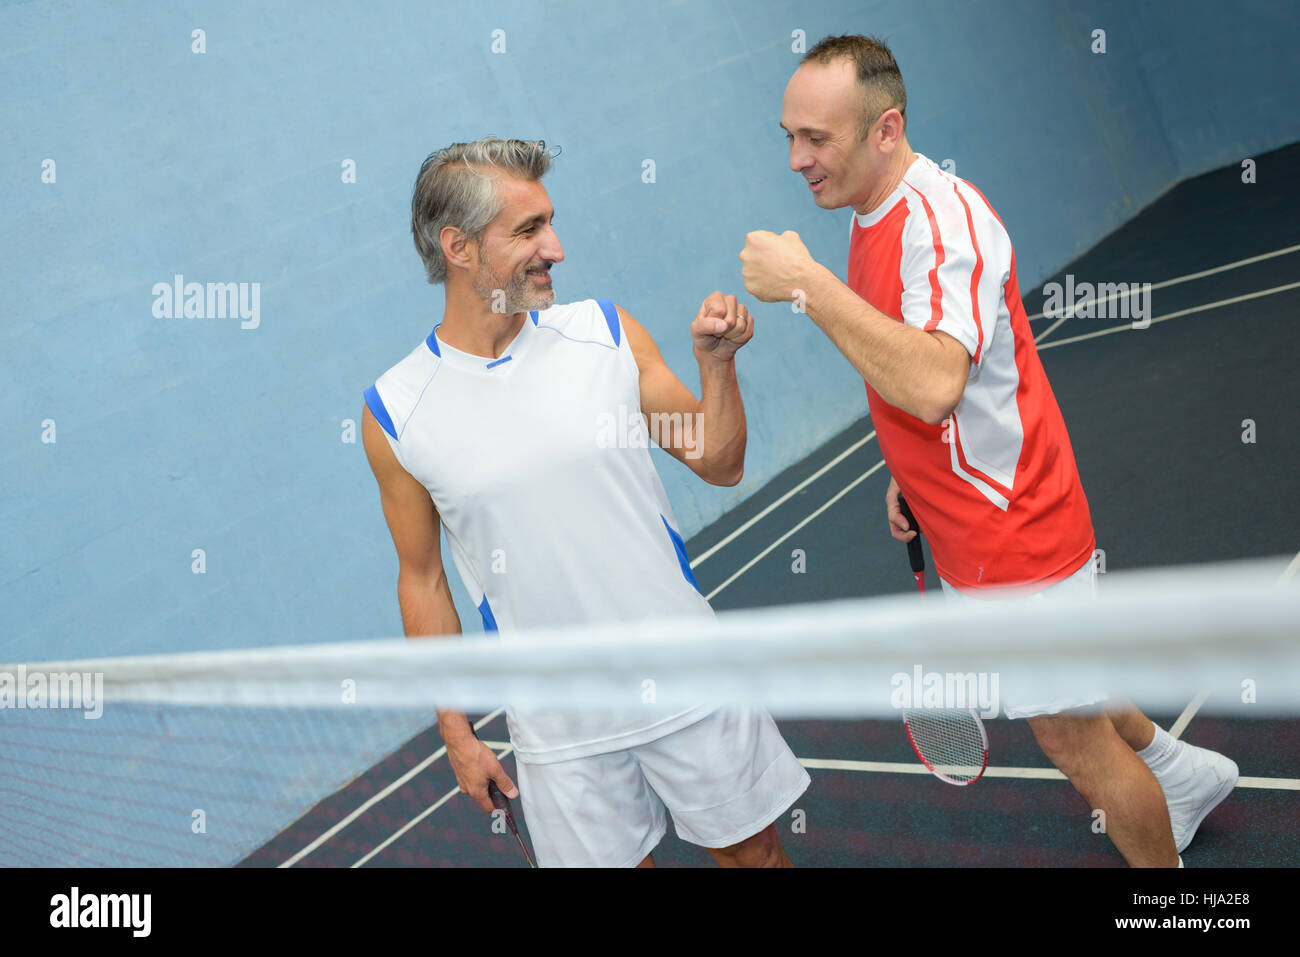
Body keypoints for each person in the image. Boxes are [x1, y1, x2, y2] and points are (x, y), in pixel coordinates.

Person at [739, 35, 1236, 866]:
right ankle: (1184, 775)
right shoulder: (872, 212)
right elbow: (911, 369)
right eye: (788, 136)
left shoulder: (943, 222)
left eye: (815, 139)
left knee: (1075, 742)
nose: (796, 158)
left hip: (1016, 530)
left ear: (885, 129)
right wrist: (907, 472)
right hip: (971, 514)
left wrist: (805, 285)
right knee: (1073, 686)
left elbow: (934, 381)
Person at [362, 137, 809, 868]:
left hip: (683, 670)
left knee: (754, 856)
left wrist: (716, 368)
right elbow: (423, 578)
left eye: (550, 222)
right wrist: (458, 733)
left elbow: (719, 462)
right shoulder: (396, 411)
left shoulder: (605, 333)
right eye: (529, 229)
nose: (556, 248)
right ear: (459, 246)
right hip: (556, 720)